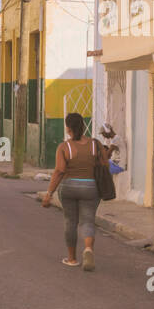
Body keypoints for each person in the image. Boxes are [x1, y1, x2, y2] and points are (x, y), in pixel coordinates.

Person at [41, 112, 105, 270]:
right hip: (91, 187)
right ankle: (88, 249)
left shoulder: (64, 147)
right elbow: (105, 165)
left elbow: (59, 171)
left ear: (68, 128)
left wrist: (49, 193)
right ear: (83, 126)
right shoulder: (95, 144)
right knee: (88, 221)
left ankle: (71, 259)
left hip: (68, 187)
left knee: (71, 221)